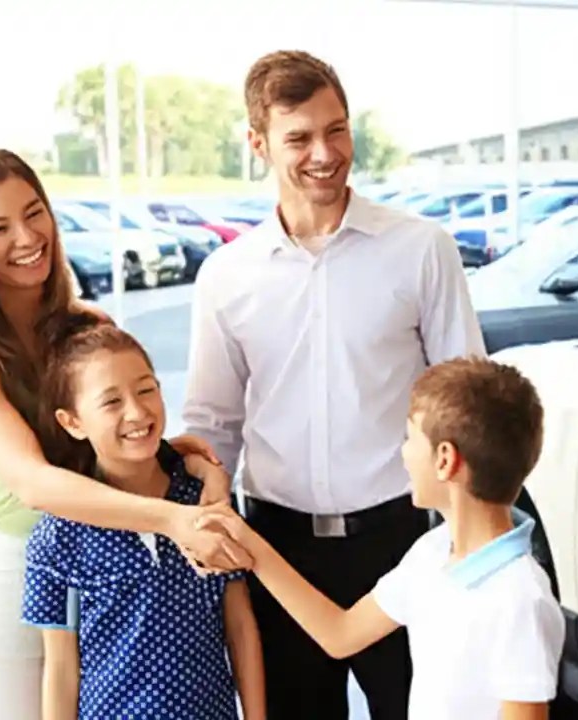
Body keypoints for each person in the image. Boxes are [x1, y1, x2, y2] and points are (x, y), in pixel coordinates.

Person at [182, 50, 486, 719]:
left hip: (401, 540)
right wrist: (206, 520)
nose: (325, 154)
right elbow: (213, 426)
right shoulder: (227, 276)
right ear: (258, 144)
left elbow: (469, 404)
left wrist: (471, 540)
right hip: (277, 548)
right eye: (299, 138)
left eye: (337, 130)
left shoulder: (420, 249)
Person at [0, 149, 249, 718]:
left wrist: (190, 462)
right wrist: (174, 520)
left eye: (34, 213)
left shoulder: (88, 326)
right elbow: (33, 483)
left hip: (103, 554)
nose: (27, 237)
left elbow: (114, 442)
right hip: (8, 573)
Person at [200, 357, 563, 720]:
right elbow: (340, 634)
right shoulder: (432, 553)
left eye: (410, 439)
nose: (403, 454)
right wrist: (247, 542)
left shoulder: (521, 598)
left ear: (445, 460)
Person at [21, 313, 264, 720]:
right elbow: (61, 669)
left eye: (146, 390)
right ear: (72, 422)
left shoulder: (206, 499)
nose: (136, 412)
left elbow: (240, 626)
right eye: (111, 401)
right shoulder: (57, 536)